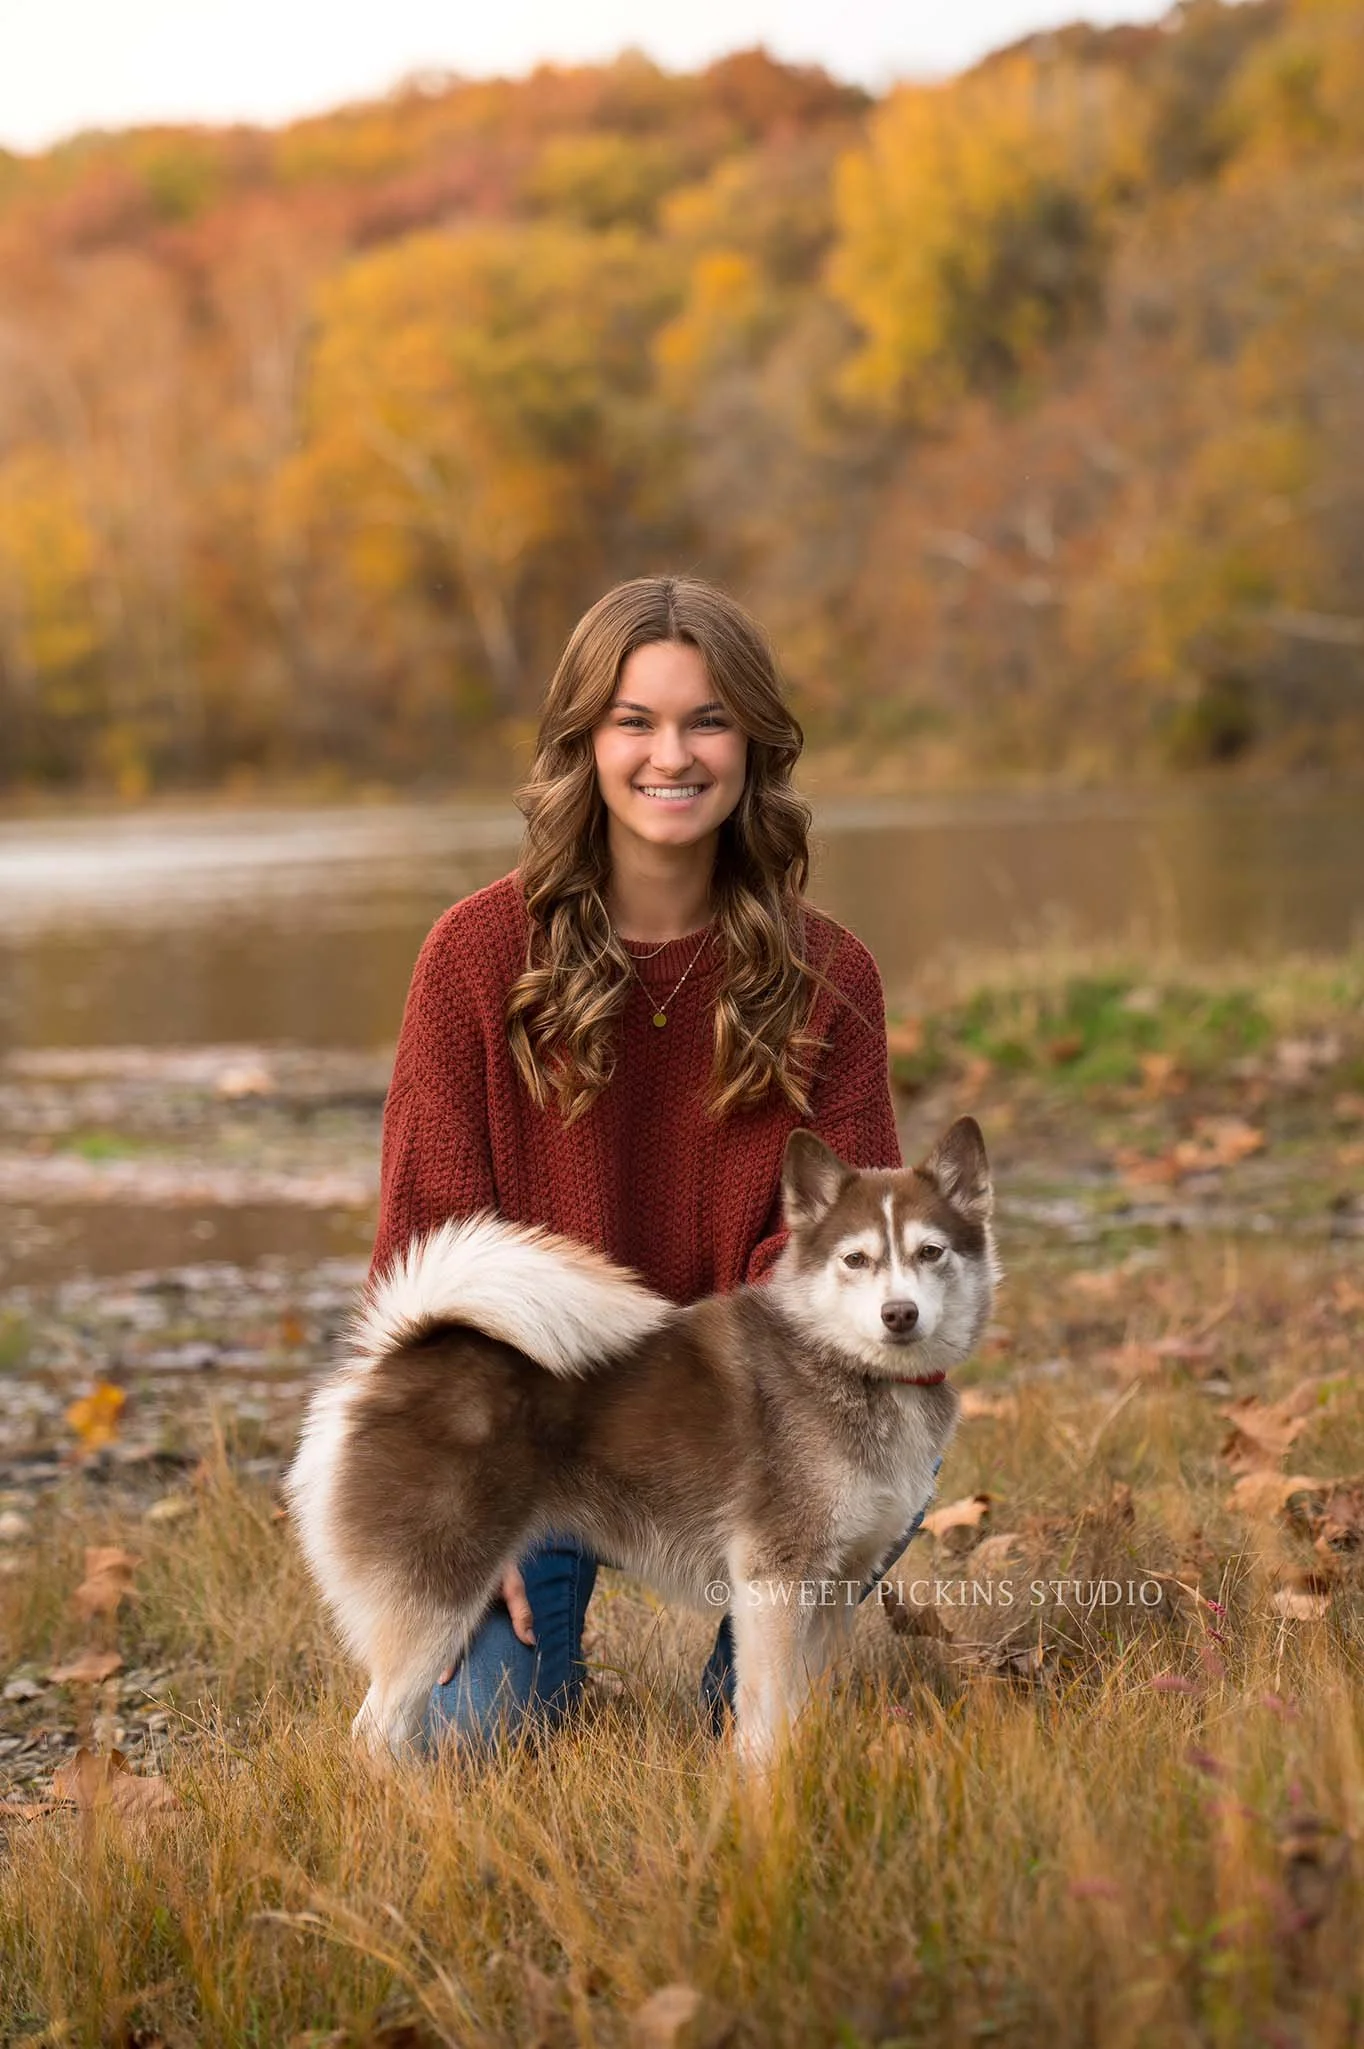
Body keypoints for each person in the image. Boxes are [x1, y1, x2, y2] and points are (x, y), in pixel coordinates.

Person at [366, 573, 911, 1756]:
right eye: (635, 722)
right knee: (474, 1745)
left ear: (752, 744)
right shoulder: (474, 956)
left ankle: (748, 1700)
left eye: (706, 720)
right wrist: (459, 1514)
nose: (673, 755)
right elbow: (430, 1243)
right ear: (584, 744)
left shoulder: (829, 975)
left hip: (735, 1430)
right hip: (532, 1435)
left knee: (888, 1392)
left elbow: (842, 1264)